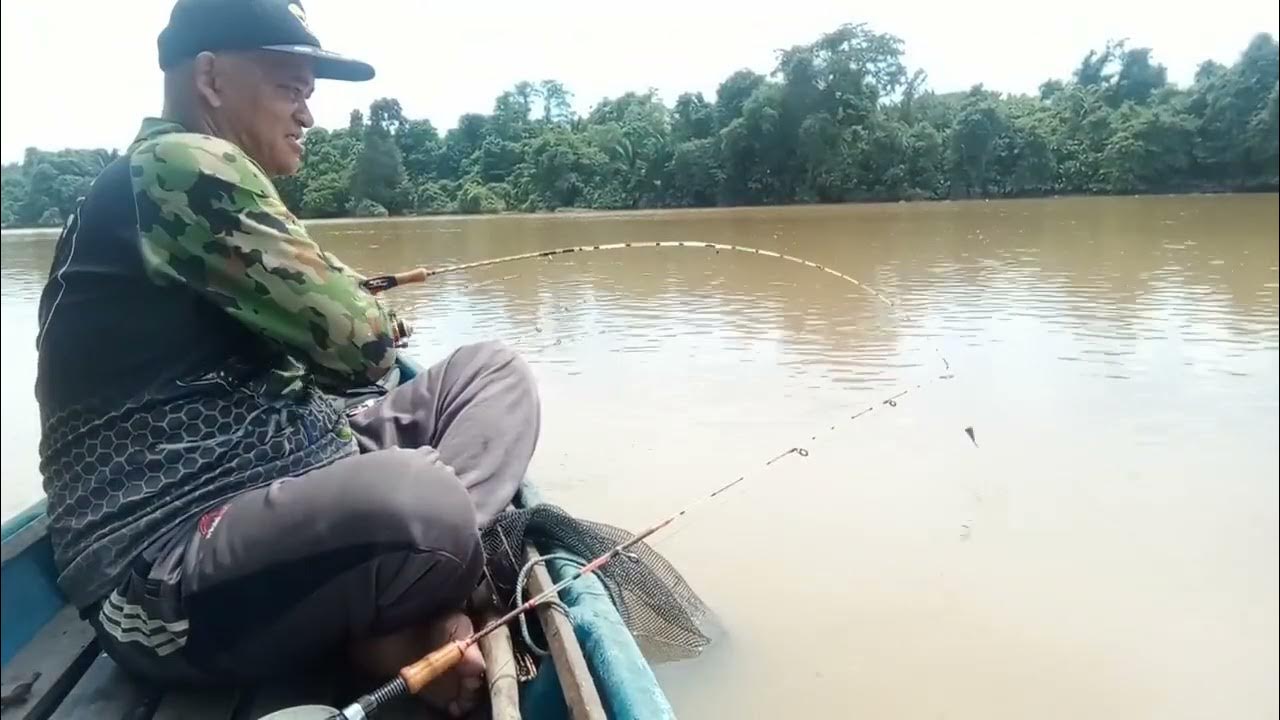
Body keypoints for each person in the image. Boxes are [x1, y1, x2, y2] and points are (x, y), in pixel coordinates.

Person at [32, 0, 539, 715]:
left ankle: (413, 594)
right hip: (165, 565)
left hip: (293, 472)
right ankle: (418, 592)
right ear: (210, 78)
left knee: (492, 374)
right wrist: (372, 322)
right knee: (422, 502)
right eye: (289, 89)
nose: (307, 115)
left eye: (309, 95)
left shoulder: (187, 181)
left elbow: (335, 332)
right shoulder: (185, 164)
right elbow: (358, 348)